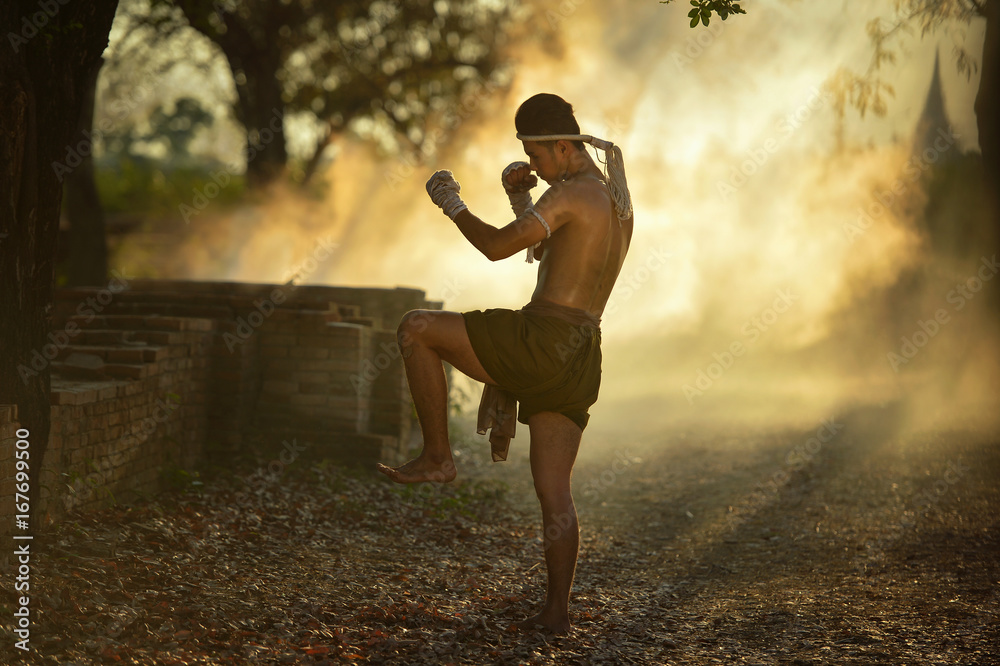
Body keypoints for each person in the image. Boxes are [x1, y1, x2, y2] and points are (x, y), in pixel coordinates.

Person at [376, 92, 634, 634]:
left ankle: (438, 457)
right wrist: (524, 199)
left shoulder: (571, 195)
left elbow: (497, 249)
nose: (532, 167)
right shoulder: (613, 199)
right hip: (582, 356)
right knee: (554, 490)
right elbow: (554, 256)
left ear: (564, 146)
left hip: (542, 340)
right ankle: (557, 613)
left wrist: (451, 202)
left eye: (537, 157)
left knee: (415, 328)